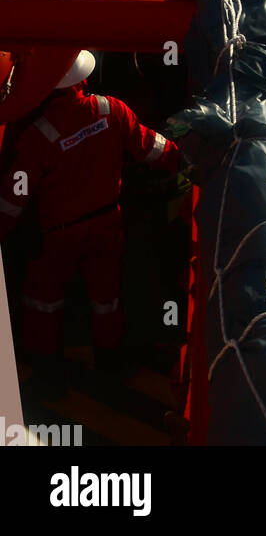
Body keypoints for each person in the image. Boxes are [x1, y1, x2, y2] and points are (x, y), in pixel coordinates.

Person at [0, 51, 178, 380]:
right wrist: (184, 159)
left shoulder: (38, 134)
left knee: (43, 297)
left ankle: (44, 365)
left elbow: (15, 197)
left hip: (59, 234)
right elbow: (151, 147)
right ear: (82, 79)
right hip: (107, 223)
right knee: (106, 297)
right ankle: (109, 360)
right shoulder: (113, 110)